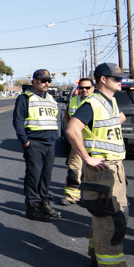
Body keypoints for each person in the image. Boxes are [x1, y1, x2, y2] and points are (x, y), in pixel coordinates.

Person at [65, 63, 130, 267]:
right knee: (112, 219)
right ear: (103, 79)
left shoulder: (110, 101)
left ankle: (97, 256)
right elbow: (72, 129)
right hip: (102, 168)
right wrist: (88, 158)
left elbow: (114, 122)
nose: (121, 81)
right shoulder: (92, 103)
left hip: (114, 167)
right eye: (117, 78)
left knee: (103, 217)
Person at [13, 69, 63, 222]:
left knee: (46, 176)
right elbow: (18, 121)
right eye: (43, 80)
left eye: (48, 80)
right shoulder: (25, 98)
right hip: (34, 142)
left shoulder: (50, 98)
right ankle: (32, 207)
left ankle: (44, 203)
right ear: (34, 81)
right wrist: (25, 140)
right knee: (34, 176)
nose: (46, 83)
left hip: (50, 143)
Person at [61, 77, 95, 205]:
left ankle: (94, 198)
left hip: (96, 144)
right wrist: (69, 130)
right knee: (74, 170)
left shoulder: (98, 102)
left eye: (87, 88)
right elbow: (67, 115)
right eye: (81, 88)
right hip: (78, 143)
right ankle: (71, 196)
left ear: (93, 88)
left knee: (96, 172)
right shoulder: (74, 100)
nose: (84, 90)